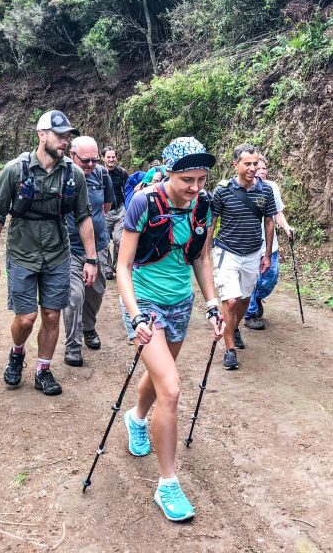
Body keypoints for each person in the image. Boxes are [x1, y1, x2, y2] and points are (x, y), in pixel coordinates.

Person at [116, 136, 225, 522]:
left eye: (201, 179)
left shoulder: (205, 206)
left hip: (181, 303)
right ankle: (168, 484)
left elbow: (201, 259)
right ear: (169, 172)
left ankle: (137, 419)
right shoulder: (144, 203)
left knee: (160, 377)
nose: (195, 188)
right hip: (144, 301)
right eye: (187, 180)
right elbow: (123, 267)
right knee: (173, 388)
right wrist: (135, 315)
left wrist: (213, 303)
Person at [0, 110, 98, 396]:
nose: (64, 141)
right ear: (41, 135)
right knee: (26, 318)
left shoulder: (73, 174)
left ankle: (43, 370)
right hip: (22, 253)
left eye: (67, 137)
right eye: (59, 136)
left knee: (51, 315)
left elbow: (84, 216)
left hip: (58, 254)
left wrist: (91, 258)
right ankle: (17, 352)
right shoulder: (15, 170)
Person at [209, 143, 278, 370]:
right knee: (230, 300)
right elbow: (213, 222)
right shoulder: (222, 191)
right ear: (235, 165)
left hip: (252, 252)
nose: (252, 168)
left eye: (255, 163)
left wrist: (267, 255)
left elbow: (269, 222)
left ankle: (234, 326)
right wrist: (204, 253)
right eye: (247, 163)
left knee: (245, 299)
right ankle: (229, 350)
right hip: (227, 251)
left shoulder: (265, 191)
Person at [61, 136, 116, 366]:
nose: (91, 165)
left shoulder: (101, 174)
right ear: (72, 155)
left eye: (94, 160)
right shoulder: (60, 175)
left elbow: (106, 206)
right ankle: (73, 345)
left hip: (99, 245)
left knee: (96, 291)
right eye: (86, 161)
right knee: (74, 296)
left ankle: (89, 327)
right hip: (70, 248)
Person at [243, 155, 294, 330]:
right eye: (259, 167)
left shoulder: (272, 187)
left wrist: (286, 227)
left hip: (270, 244)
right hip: (250, 245)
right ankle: (250, 313)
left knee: (270, 278)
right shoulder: (245, 188)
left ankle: (256, 298)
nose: (262, 171)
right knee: (250, 279)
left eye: (265, 168)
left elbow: (278, 213)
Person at [101, 145, 129, 280]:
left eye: (113, 157)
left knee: (120, 239)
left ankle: (117, 265)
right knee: (104, 241)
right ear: (103, 158)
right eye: (108, 157)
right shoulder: (98, 172)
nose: (111, 159)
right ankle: (107, 269)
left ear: (116, 158)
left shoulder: (122, 172)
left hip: (120, 210)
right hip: (104, 212)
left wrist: (129, 208)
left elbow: (128, 190)